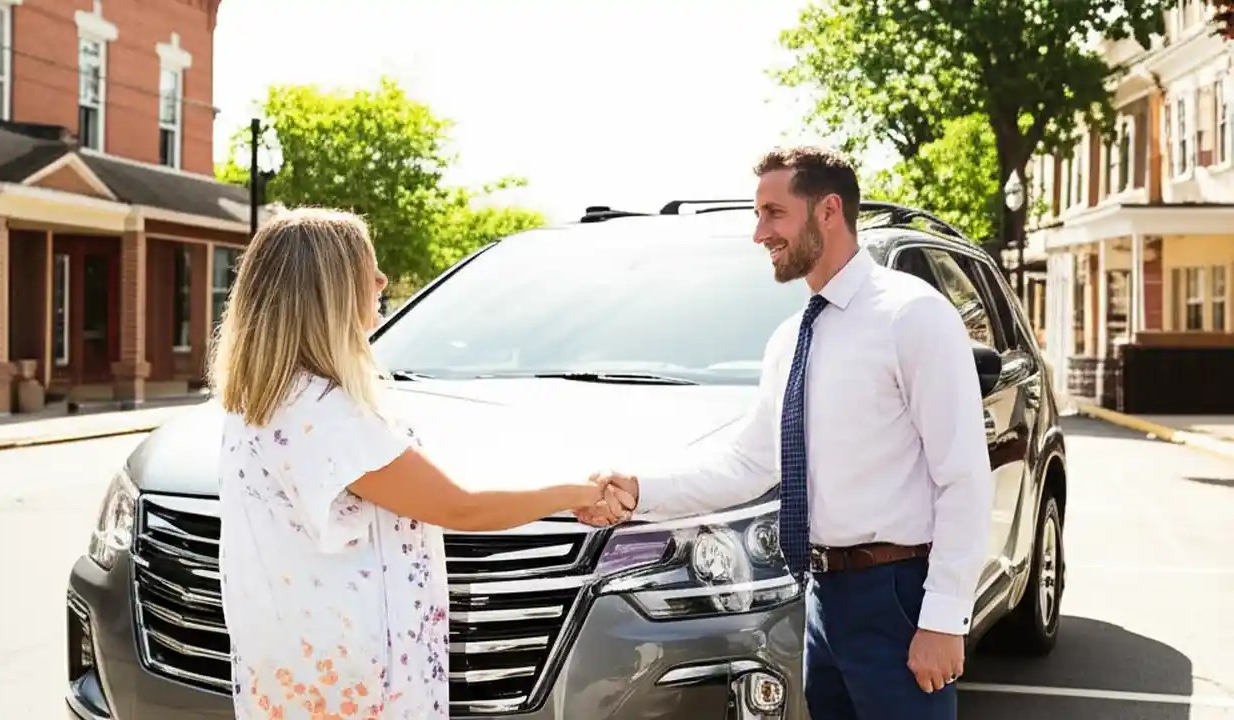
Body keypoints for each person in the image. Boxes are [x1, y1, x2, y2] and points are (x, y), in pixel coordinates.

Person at [583, 147, 993, 720]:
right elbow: (749, 464)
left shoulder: (911, 316)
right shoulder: (791, 338)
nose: (759, 233)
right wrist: (639, 491)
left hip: (898, 596)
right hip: (823, 599)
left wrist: (944, 618)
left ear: (828, 210)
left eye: (773, 213)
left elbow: (965, 478)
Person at [209, 207, 628, 720]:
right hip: (358, 685)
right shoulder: (326, 415)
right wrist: (578, 494)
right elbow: (461, 508)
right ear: (327, 290)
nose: (382, 280)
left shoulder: (264, 401)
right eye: (368, 266)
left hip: (302, 668)